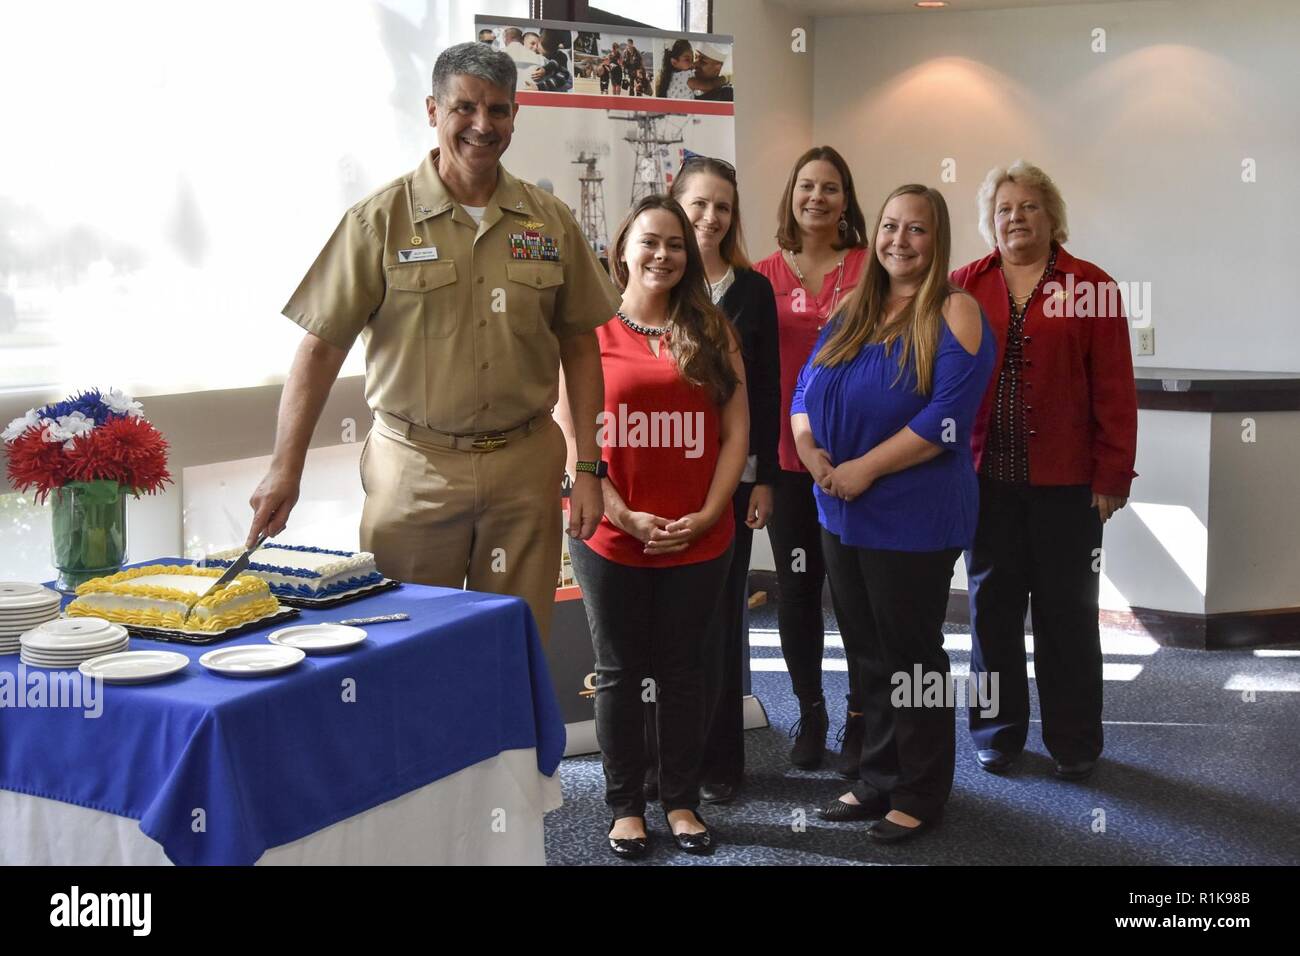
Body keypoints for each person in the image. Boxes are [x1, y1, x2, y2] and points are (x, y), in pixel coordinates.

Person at [248, 42, 620, 645]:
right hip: (414, 471)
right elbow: (320, 349)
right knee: (404, 645)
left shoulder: (549, 222)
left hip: (524, 471)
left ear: (515, 116)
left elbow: (579, 346)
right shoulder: (379, 221)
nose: (482, 125)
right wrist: (284, 470)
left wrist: (587, 469)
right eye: (465, 107)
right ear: (432, 110)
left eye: (498, 110)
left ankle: (508, 746)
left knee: (513, 647)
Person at [795, 184, 995, 842]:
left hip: (913, 512)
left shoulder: (956, 310)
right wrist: (812, 453)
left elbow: (945, 421)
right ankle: (878, 777)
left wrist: (865, 468)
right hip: (839, 508)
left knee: (913, 658)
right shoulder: (854, 304)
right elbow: (804, 388)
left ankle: (922, 788)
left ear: (936, 242)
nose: (898, 241)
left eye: (915, 230)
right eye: (889, 227)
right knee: (868, 654)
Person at [556, 195, 749, 859]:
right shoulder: (587, 332)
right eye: (650, 242)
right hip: (611, 535)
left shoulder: (712, 328)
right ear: (623, 250)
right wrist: (621, 511)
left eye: (674, 244)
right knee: (618, 670)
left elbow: (736, 433)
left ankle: (682, 800)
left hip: (700, 536)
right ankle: (625, 806)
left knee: (683, 672)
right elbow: (573, 436)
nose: (662, 255)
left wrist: (707, 512)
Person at [952, 161, 1137, 781]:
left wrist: (1113, 476)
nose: (1016, 218)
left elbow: (1114, 390)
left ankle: (1075, 741)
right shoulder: (961, 286)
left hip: (1067, 487)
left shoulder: (1092, 287)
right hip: (984, 482)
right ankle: (997, 734)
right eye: (1004, 209)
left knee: (1068, 614)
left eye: (1029, 206)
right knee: (991, 611)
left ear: (1052, 217)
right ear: (990, 222)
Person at [667, 156, 780, 804]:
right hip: (661, 479)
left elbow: (763, 392)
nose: (710, 218)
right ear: (675, 203)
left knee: (719, 622)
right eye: (699, 203)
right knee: (665, 625)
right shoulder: (651, 281)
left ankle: (720, 764)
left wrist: (762, 480)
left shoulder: (753, 289)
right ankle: (666, 762)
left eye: (722, 207)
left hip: (733, 483)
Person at [754, 146, 869, 773]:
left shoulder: (870, 268)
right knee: (797, 592)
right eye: (806, 187)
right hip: (786, 461)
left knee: (854, 597)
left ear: (845, 200)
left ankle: (858, 716)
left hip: (856, 462)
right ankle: (810, 709)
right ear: (791, 197)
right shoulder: (761, 274)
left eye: (830, 188)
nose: (817, 198)